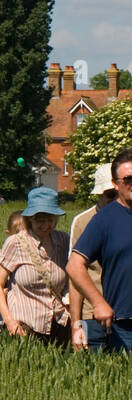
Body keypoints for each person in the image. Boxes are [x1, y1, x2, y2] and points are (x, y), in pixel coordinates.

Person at [68, 149, 132, 352]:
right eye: (128, 179)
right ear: (116, 183)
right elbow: (74, 265)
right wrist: (98, 302)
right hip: (124, 324)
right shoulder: (104, 220)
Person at [0, 187, 71, 344]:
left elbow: (72, 278)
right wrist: (9, 321)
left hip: (60, 324)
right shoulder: (16, 242)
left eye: (51, 219)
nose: (46, 225)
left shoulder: (64, 240)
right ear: (30, 219)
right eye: (40, 219)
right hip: (25, 327)